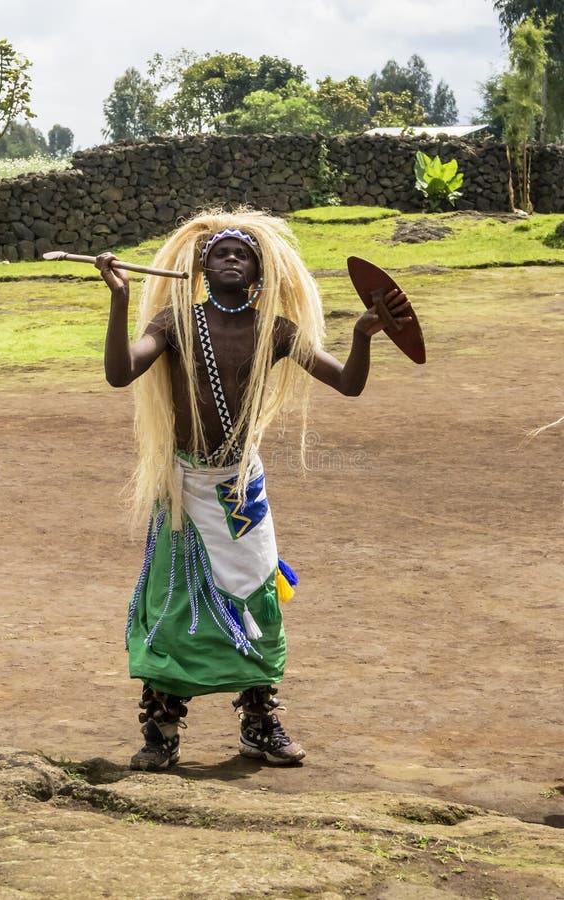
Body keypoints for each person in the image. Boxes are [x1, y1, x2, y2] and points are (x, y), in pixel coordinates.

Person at [97, 207, 411, 771]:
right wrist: (120, 300)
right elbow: (120, 374)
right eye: (221, 252)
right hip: (187, 486)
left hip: (241, 488)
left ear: (260, 272)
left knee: (257, 600)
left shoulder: (277, 330)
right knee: (174, 607)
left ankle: (260, 721)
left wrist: (363, 335)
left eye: (244, 253)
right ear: (201, 266)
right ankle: (161, 729)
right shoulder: (173, 323)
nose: (233, 258)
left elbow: (348, 383)